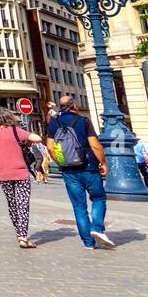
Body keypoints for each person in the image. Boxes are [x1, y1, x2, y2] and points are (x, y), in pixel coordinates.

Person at [45, 94, 114, 250]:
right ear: (74, 106)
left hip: (69, 171)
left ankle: (89, 243)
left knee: (79, 206)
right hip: (89, 167)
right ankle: (97, 228)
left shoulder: (53, 124)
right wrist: (103, 163)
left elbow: (50, 148)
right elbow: (95, 145)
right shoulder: (83, 121)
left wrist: (62, 162)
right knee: (98, 198)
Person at [0, 108, 41, 249]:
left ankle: (19, 233)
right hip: (19, 172)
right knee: (22, 204)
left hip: (3, 173)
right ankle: (23, 237)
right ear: (10, 118)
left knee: (12, 204)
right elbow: (37, 138)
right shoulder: (16, 130)